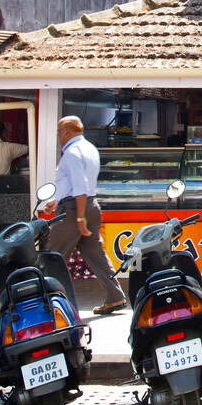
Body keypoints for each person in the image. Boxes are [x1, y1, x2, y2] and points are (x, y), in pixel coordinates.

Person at [47, 115, 128, 315]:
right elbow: (76, 184)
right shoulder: (89, 148)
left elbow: (80, 187)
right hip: (90, 205)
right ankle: (115, 296)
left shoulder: (72, 153)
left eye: (59, 131)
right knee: (95, 254)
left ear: (67, 132)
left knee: (52, 256)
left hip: (76, 210)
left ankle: (44, 300)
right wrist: (57, 199)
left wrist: (80, 217)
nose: (58, 135)